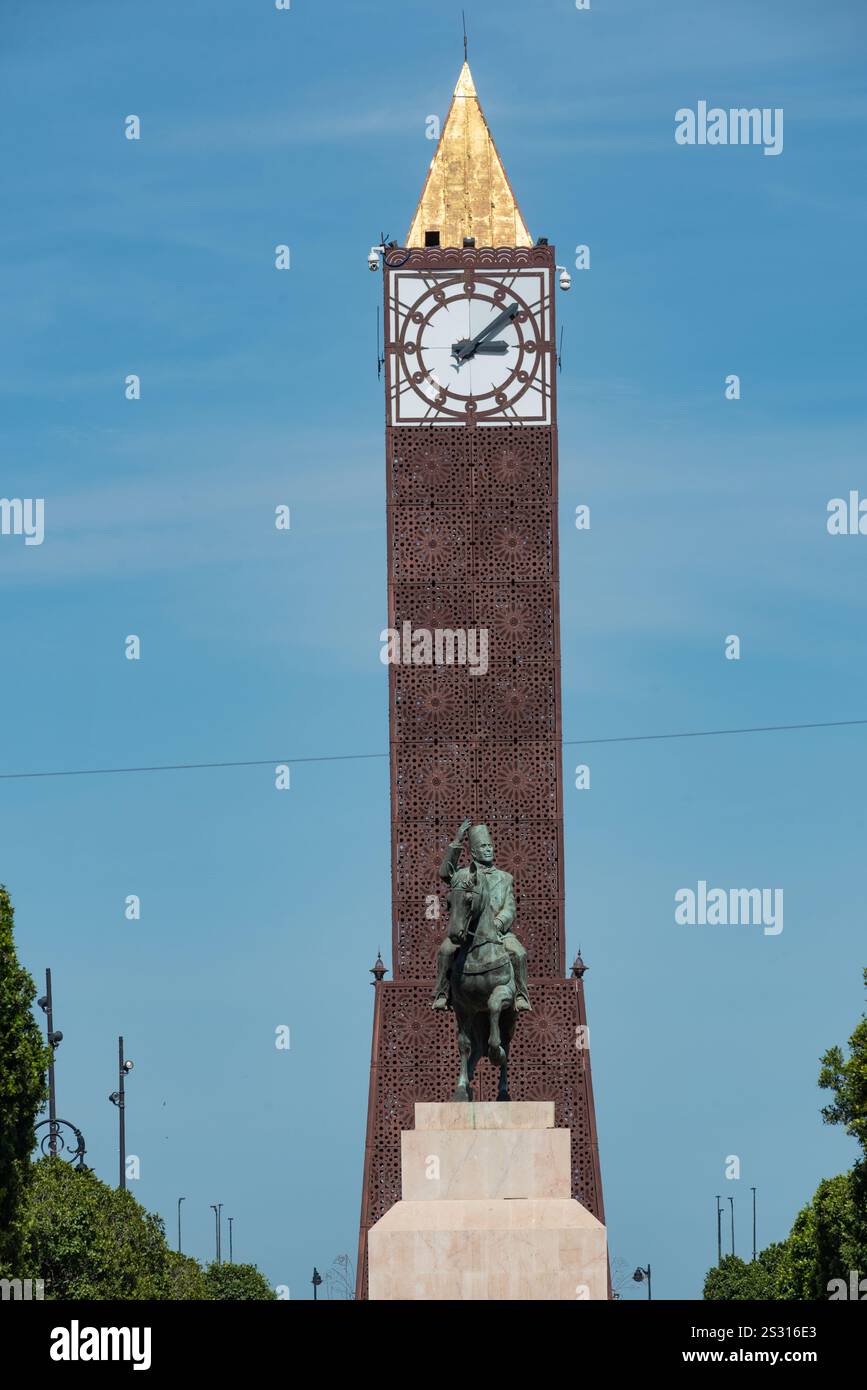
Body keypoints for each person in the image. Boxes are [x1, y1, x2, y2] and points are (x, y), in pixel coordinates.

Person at [431, 818, 531, 1012]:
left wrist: (498, 923)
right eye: (483, 847)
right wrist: (457, 841)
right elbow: (444, 873)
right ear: (474, 852)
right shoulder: (463, 875)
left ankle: (521, 995)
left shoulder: (504, 878)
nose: (488, 850)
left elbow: (509, 908)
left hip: (499, 932)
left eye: (490, 846)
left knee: (519, 953)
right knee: (445, 951)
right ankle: (442, 993)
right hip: (466, 932)